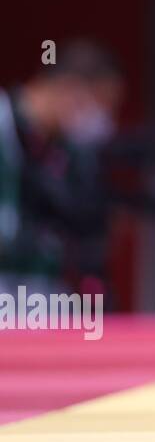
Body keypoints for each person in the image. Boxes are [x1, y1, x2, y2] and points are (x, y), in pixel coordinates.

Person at [0, 40, 123, 294]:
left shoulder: (64, 151)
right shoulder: (4, 125)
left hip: (39, 301)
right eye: (101, 105)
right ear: (71, 89)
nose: (103, 121)